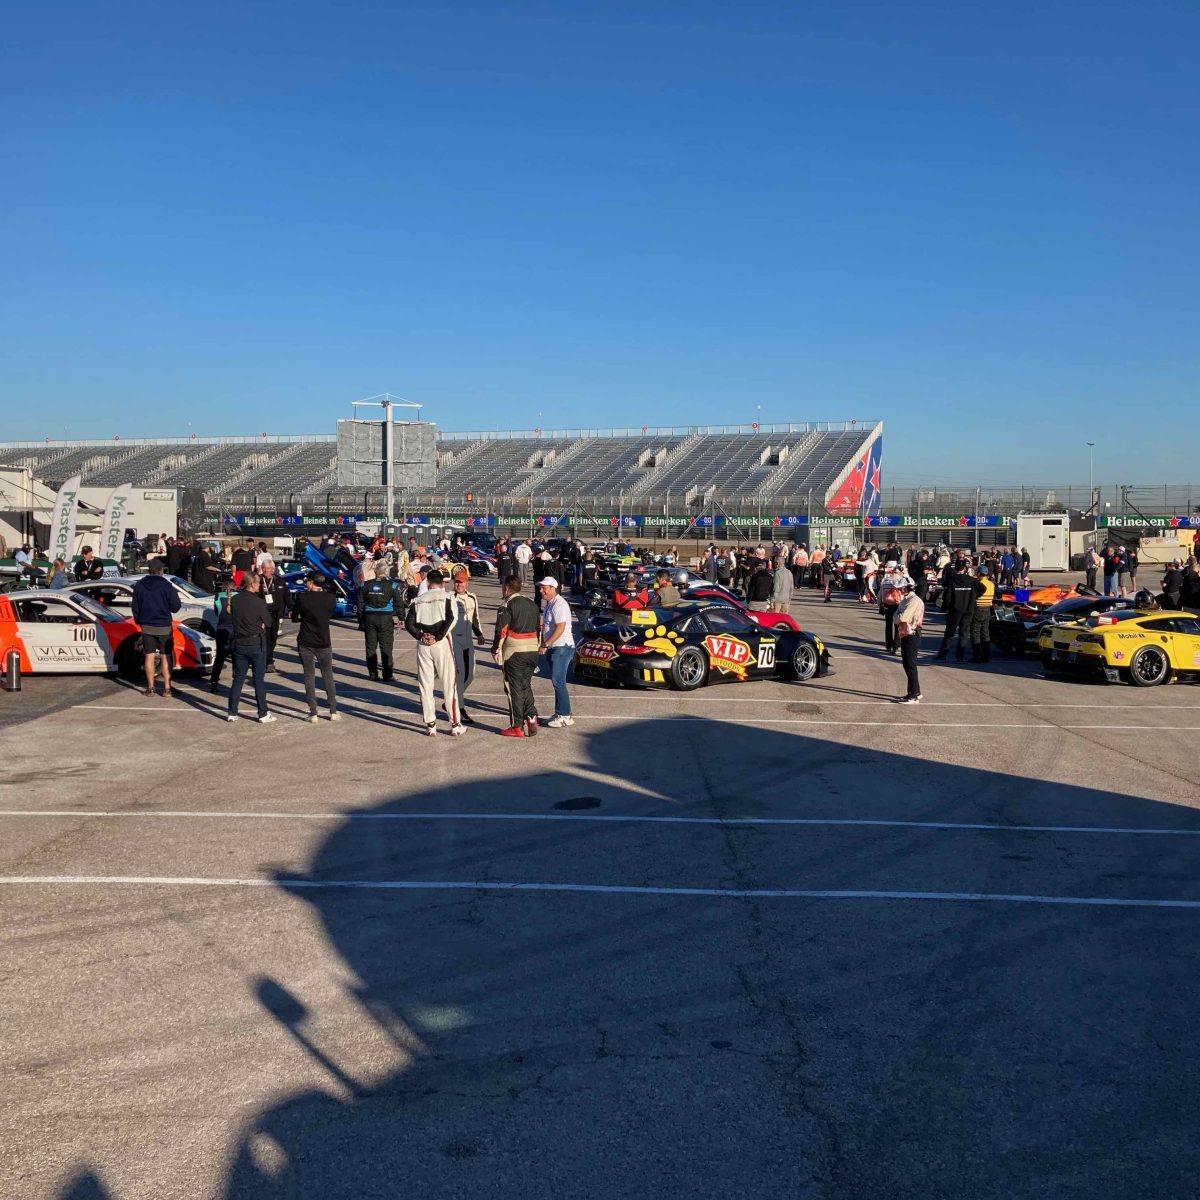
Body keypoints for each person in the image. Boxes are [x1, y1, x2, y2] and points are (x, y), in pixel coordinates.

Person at [404, 569, 463, 736]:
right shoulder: (447, 598)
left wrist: (421, 635)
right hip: (441, 642)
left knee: (425, 684)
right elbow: (453, 618)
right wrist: (437, 636)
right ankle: (455, 724)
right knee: (449, 683)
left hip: (423, 644)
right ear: (443, 582)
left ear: (428, 582)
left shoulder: (418, 600)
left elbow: (410, 624)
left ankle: (430, 725)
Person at [493, 576, 541, 737]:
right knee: (525, 685)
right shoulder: (532, 604)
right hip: (532, 649)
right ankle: (532, 716)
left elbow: (502, 629)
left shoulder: (507, 604)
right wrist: (538, 646)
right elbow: (539, 627)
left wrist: (495, 650)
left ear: (506, 588)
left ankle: (516, 726)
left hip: (514, 651)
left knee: (513, 688)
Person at [291, 572, 340, 723]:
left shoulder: (303, 598)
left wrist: (301, 617)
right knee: (328, 675)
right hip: (324, 640)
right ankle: (333, 710)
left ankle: (313, 712)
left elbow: (294, 617)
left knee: (309, 675)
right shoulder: (330, 598)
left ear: (311, 583)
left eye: (307, 582)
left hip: (306, 641)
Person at [226, 573, 276, 724]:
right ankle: (262, 712)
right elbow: (268, 622)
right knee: (258, 679)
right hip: (255, 643)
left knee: (238, 678)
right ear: (252, 584)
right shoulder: (259, 602)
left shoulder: (235, 600)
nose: (260, 585)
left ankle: (232, 712)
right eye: (258, 583)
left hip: (239, 643)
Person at [131, 559, 182, 698]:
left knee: (149, 655)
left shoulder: (140, 585)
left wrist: (139, 621)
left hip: (146, 625)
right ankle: (167, 688)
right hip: (164, 626)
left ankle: (150, 687)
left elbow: (135, 607)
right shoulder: (166, 586)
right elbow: (176, 607)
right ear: (161, 571)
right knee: (166, 656)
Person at [449, 568, 487, 723]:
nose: (459, 585)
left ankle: (452, 700)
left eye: (462, 582)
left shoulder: (472, 597)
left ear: (467, 583)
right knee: (460, 674)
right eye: (457, 582)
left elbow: (475, 617)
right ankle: (460, 708)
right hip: (454, 640)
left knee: (470, 675)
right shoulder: (449, 597)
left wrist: (479, 634)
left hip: (468, 640)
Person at [538, 576, 575, 728]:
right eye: (541, 588)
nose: (541, 591)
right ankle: (560, 712)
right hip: (555, 647)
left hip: (562, 647)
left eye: (544, 588)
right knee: (556, 681)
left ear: (553, 588)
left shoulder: (559, 605)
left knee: (558, 681)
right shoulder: (550, 604)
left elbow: (560, 628)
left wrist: (546, 644)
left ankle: (565, 715)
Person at [360, 561, 401, 682]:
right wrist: (401, 618)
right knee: (386, 647)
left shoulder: (365, 585)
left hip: (369, 618)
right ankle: (387, 675)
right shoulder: (393, 585)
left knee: (370, 647)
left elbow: (360, 603)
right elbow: (399, 604)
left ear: (375, 572)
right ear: (386, 572)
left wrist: (361, 619)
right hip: (385, 618)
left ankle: (373, 674)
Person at [936, 561, 976, 661]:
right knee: (963, 633)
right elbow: (982, 588)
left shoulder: (952, 580)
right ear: (964, 569)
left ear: (956, 569)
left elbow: (948, 595)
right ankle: (960, 656)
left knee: (949, 633)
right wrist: (973, 598)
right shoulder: (971, 580)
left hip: (955, 609)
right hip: (968, 609)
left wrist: (947, 606)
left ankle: (943, 654)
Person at [895, 578, 925, 703]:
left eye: (901, 587)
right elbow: (896, 616)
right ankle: (915, 692)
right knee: (908, 665)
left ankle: (913, 694)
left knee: (910, 665)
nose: (899, 590)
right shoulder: (906, 600)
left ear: (908, 587)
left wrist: (898, 617)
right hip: (905, 634)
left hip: (911, 634)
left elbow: (902, 618)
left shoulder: (914, 601)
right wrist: (898, 617)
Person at [257, 558, 289, 671]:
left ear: (273, 569)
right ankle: (267, 661)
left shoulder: (279, 581)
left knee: (272, 639)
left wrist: (292, 609)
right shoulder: (257, 580)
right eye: (264, 568)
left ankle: (268, 659)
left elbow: (287, 597)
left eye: (268, 568)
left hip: (275, 615)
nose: (266, 570)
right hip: (260, 615)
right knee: (263, 638)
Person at [209, 575, 236, 694]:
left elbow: (216, 612)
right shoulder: (238, 597)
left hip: (221, 629)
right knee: (236, 658)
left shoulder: (218, 597)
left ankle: (214, 682)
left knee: (220, 658)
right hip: (234, 630)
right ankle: (236, 683)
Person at [968, 564, 996, 663]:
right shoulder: (991, 584)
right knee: (985, 633)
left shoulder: (978, 584)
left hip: (978, 608)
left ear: (979, 573)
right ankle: (985, 656)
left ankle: (976, 655)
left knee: (975, 632)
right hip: (987, 609)